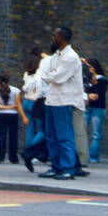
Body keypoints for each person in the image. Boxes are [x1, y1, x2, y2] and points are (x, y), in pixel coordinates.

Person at [35, 26, 82, 180]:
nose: (53, 38)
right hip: (52, 99)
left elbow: (58, 77)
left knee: (64, 136)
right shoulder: (56, 56)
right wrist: (49, 75)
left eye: (55, 35)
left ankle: (68, 168)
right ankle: (56, 167)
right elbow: (47, 73)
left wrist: (48, 75)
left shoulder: (71, 57)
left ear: (63, 37)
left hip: (64, 100)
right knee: (51, 136)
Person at [0, 74, 25, 164]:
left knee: (1, 136)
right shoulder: (15, 90)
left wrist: (5, 107)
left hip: (2, 114)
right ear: (9, 80)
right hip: (13, 114)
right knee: (13, 136)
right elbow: (18, 104)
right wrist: (22, 115)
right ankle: (13, 157)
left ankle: (0, 157)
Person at [20, 52, 46, 158]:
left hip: (26, 101)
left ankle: (28, 152)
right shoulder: (39, 75)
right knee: (42, 131)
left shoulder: (26, 74)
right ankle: (30, 151)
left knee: (30, 129)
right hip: (36, 102)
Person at [84, 58, 108, 163]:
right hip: (87, 108)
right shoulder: (86, 79)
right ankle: (83, 154)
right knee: (82, 131)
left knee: (95, 134)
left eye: (89, 67)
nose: (88, 69)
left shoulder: (102, 80)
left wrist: (89, 94)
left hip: (98, 109)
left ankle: (93, 156)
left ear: (94, 68)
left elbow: (96, 95)